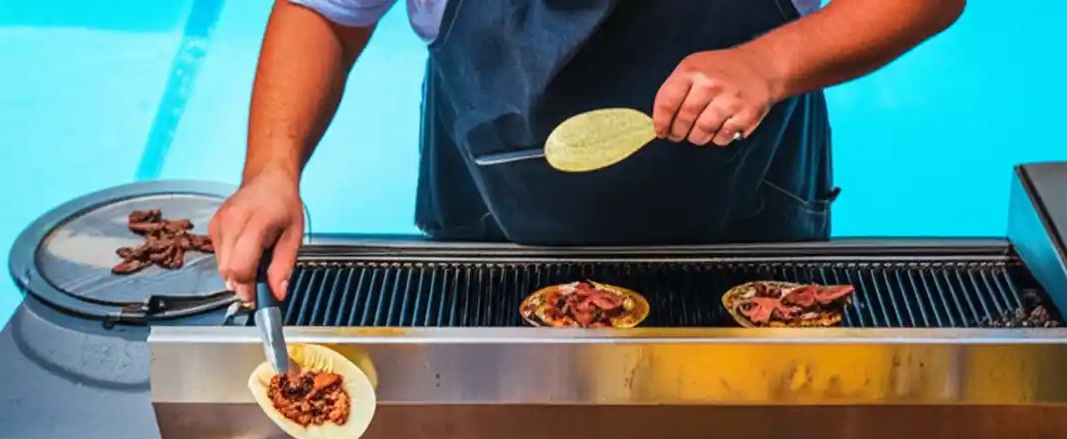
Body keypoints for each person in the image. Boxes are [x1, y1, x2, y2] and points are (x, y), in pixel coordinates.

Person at [211, 0, 965, 303]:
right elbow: (327, 13)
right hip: (494, 210)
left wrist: (773, 63)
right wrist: (273, 169)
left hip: (745, 206)